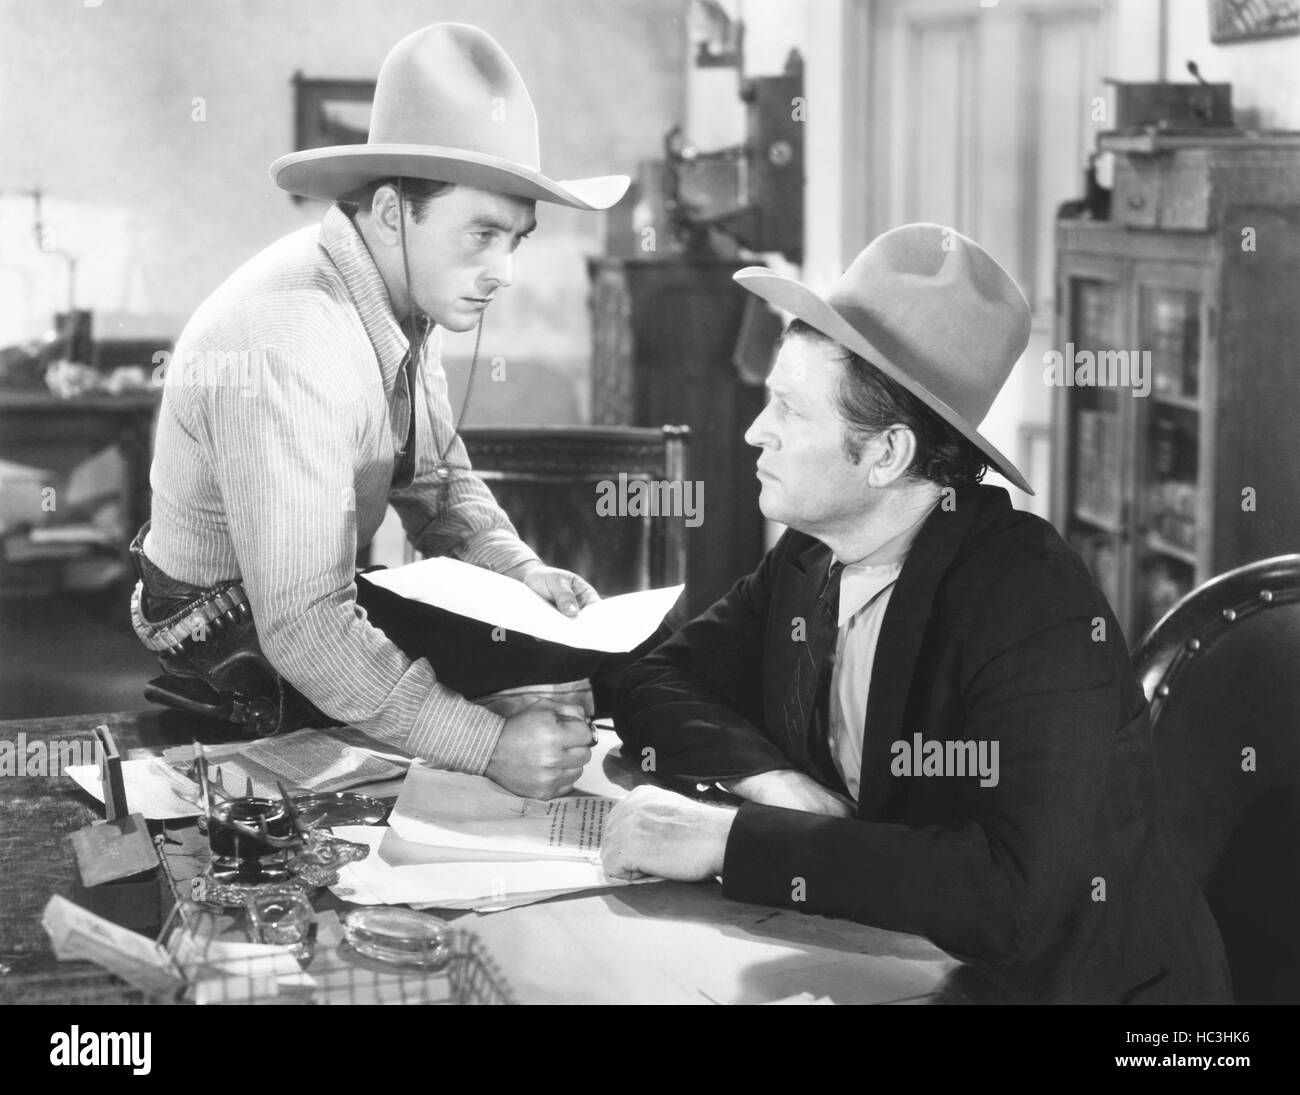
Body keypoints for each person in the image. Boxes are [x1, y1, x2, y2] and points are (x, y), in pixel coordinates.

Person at [601, 223, 1232, 1003]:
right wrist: (773, 785)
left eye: (789, 410)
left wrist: (731, 837)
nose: (754, 431)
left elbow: (1010, 898)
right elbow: (654, 679)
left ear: (887, 454)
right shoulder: (806, 557)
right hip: (895, 970)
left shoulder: (1029, 597)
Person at [131, 23, 629, 800]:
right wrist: (491, 744)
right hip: (226, 635)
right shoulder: (293, 338)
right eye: (483, 234)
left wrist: (524, 572)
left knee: (563, 694)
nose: (502, 272)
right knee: (505, 731)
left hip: (318, 597)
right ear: (394, 212)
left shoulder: (400, 292)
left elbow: (437, 483)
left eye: (516, 240)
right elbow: (302, 630)